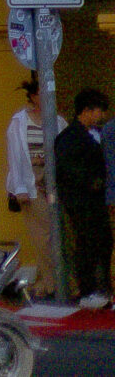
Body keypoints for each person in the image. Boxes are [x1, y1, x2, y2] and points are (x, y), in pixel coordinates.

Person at [3, 79, 56, 301]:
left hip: (52, 179)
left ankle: (46, 282)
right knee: (43, 235)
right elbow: (15, 156)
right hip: (31, 179)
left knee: (56, 233)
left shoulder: (57, 121)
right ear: (33, 96)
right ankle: (54, 283)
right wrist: (20, 188)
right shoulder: (20, 122)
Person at [61, 88, 113, 307]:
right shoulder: (70, 137)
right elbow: (68, 169)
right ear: (87, 110)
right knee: (86, 243)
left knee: (103, 242)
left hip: (96, 200)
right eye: (98, 110)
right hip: (81, 201)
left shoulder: (97, 133)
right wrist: (92, 181)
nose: (101, 116)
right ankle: (87, 289)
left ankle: (101, 286)